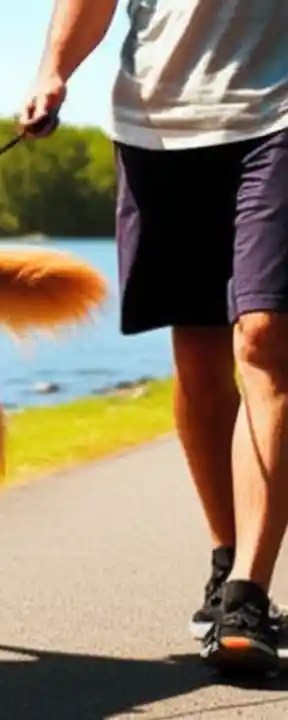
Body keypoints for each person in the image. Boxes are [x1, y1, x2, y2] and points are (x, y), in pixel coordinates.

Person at [18, 0, 288, 674]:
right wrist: (54, 69)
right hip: (157, 130)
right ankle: (228, 564)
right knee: (197, 357)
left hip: (276, 114)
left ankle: (249, 594)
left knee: (263, 338)